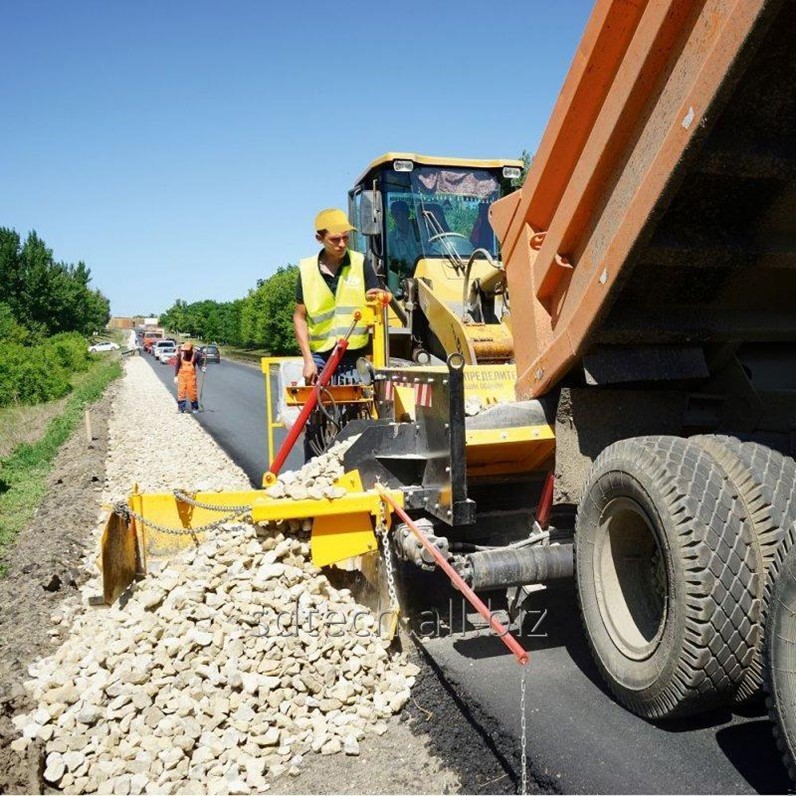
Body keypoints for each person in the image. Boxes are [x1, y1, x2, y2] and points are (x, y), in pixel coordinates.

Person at [293, 207, 384, 386]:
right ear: (319, 239)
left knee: (355, 408)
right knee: (318, 407)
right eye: (335, 239)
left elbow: (376, 302)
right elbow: (299, 317)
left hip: (355, 355)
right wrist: (308, 360)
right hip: (320, 356)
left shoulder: (360, 263)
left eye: (346, 237)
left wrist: (378, 298)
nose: (342, 244)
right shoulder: (307, 270)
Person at [387, 200, 420, 283]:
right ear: (393, 216)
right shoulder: (390, 238)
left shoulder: (419, 231)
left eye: (403, 213)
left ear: (408, 214)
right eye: (396, 214)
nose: (400, 217)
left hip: (424, 275)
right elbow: (386, 261)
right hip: (403, 279)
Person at [173, 342, 205, 413]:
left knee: (192, 393)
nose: (185, 351)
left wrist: (202, 368)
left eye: (187, 350)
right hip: (182, 376)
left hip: (191, 377)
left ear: (191, 348)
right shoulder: (180, 354)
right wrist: (175, 376)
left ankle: (195, 408)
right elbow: (177, 365)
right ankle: (181, 409)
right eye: (184, 349)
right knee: (181, 392)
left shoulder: (197, 355)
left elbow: (200, 364)